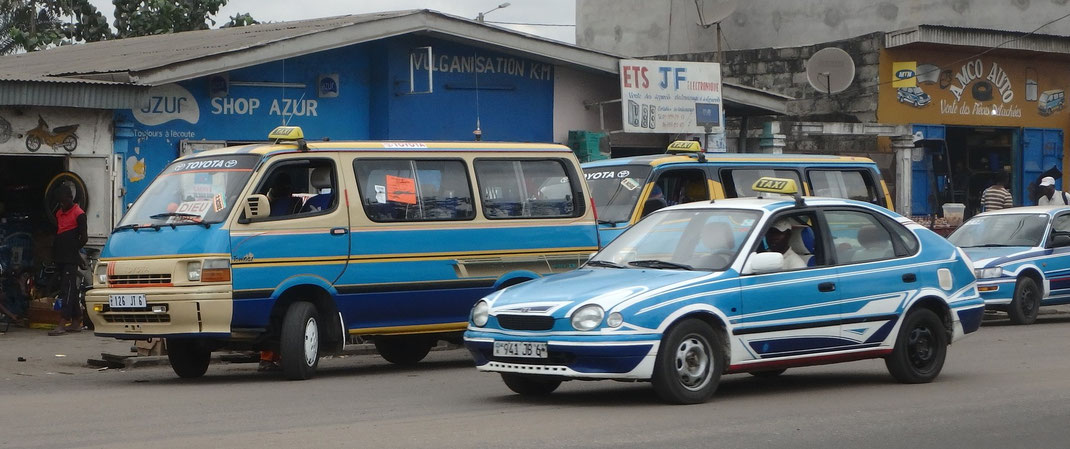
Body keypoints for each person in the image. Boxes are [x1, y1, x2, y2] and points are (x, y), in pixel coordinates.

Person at [48, 184, 88, 336]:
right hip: (61, 256)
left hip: (70, 257)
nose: (62, 205)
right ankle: (77, 320)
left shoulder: (79, 214)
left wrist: (74, 251)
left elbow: (84, 238)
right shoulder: (59, 213)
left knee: (68, 289)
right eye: (60, 202)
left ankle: (62, 322)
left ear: (70, 198)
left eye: (64, 201)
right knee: (72, 288)